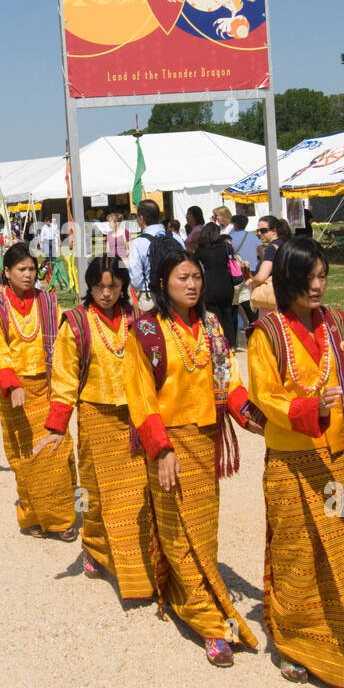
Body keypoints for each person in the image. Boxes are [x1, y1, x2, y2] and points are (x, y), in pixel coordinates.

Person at [247, 236, 344, 688]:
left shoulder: (337, 323)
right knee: (298, 554)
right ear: (289, 279)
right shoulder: (266, 333)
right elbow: (265, 395)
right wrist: (313, 407)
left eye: (323, 276)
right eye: (310, 277)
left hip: (340, 459)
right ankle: (296, 643)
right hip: (292, 463)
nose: (319, 285)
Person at [124, 250, 262, 665]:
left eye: (197, 277)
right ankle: (208, 621)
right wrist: (161, 449)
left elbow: (228, 382)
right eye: (183, 277)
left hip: (205, 443)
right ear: (164, 283)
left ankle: (199, 597)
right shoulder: (146, 331)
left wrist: (255, 419)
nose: (193, 285)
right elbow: (141, 397)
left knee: (203, 534)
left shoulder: (213, 326)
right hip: (167, 444)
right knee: (176, 535)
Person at [34, 255, 157, 594]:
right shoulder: (75, 322)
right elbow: (64, 376)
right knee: (93, 491)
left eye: (113, 286)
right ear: (89, 286)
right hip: (94, 416)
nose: (106, 293)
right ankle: (93, 545)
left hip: (133, 419)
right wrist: (57, 427)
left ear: (123, 286)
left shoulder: (136, 319)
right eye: (99, 286)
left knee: (134, 494)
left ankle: (137, 566)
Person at [0, 242, 78, 537]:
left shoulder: (49, 302)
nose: (27, 274)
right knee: (25, 457)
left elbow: (64, 339)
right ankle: (32, 517)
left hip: (47, 387)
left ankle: (61, 520)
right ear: (7, 273)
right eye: (21, 269)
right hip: (16, 393)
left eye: (32, 269)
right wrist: (12, 385)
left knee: (54, 452)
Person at [195, 221, 244, 347]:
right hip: (226, 283)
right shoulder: (224, 246)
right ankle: (232, 344)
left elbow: (196, 266)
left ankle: (218, 344)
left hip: (209, 284)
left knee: (214, 317)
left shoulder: (200, 250)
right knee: (228, 315)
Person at [128, 200, 172, 311]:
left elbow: (136, 279)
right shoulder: (174, 237)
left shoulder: (138, 243)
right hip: (174, 295)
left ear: (141, 218)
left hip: (149, 297)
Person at [247, 215, 291, 310]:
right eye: (258, 230)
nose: (259, 233)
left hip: (273, 297)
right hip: (289, 294)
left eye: (263, 231)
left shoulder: (272, 248)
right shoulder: (286, 244)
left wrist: (252, 283)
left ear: (274, 231)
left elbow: (262, 276)